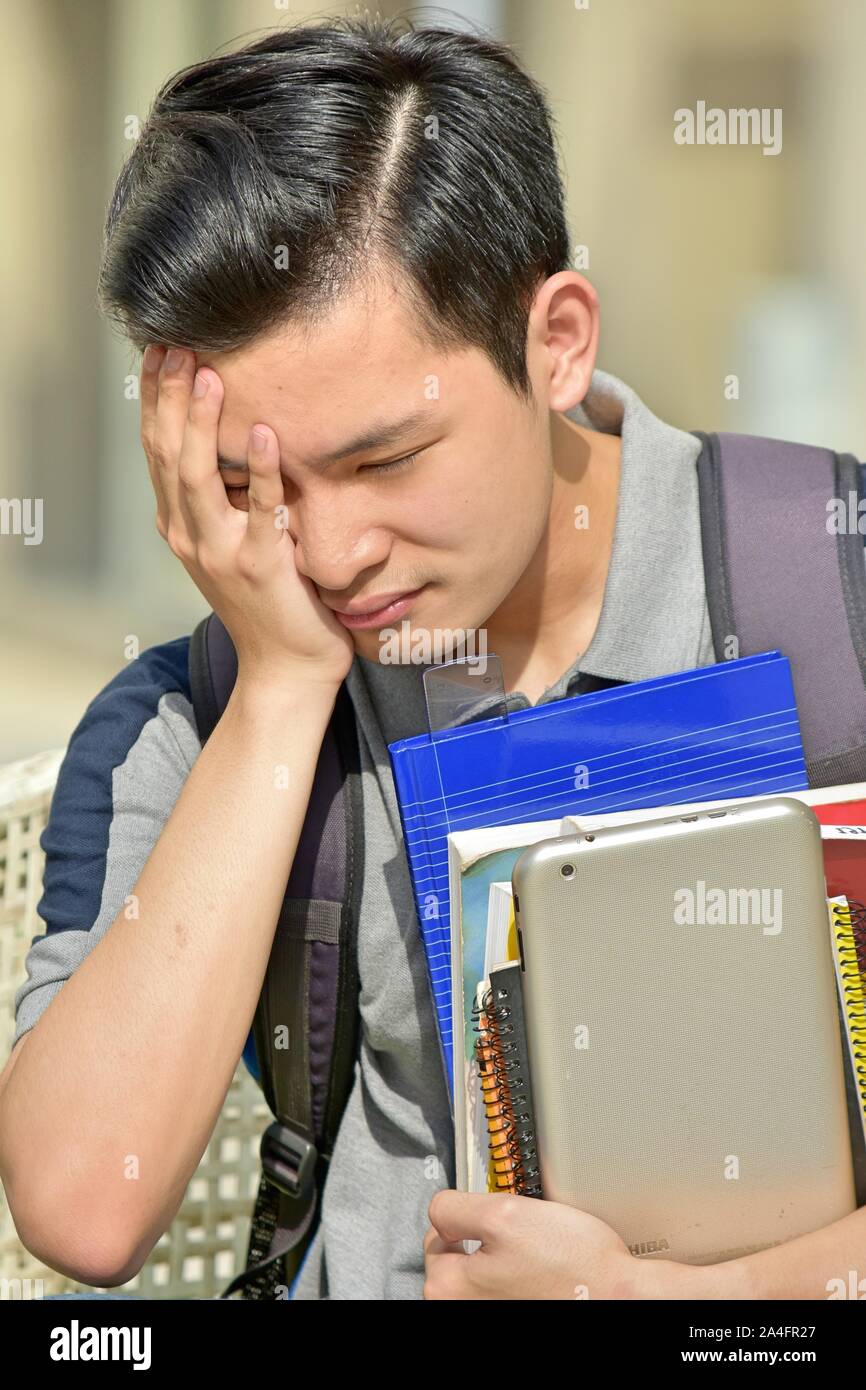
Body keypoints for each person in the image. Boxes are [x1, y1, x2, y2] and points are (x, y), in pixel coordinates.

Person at [1, 14, 864, 1303]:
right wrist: (287, 696)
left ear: (556, 341)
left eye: (386, 460)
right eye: (258, 485)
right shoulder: (198, 714)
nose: (337, 552)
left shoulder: (834, 590)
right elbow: (85, 1206)